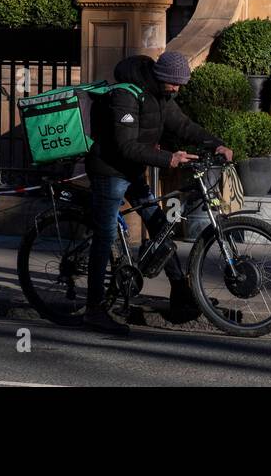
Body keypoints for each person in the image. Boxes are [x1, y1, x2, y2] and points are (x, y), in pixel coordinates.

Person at [82, 51, 233, 336]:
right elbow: (126, 145)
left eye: (180, 84)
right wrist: (168, 159)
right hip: (109, 171)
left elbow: (184, 126)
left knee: (160, 226)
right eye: (173, 83)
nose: (177, 89)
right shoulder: (125, 95)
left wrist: (217, 144)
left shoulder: (163, 97)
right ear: (160, 76)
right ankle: (94, 309)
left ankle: (180, 292)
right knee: (105, 236)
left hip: (132, 172)